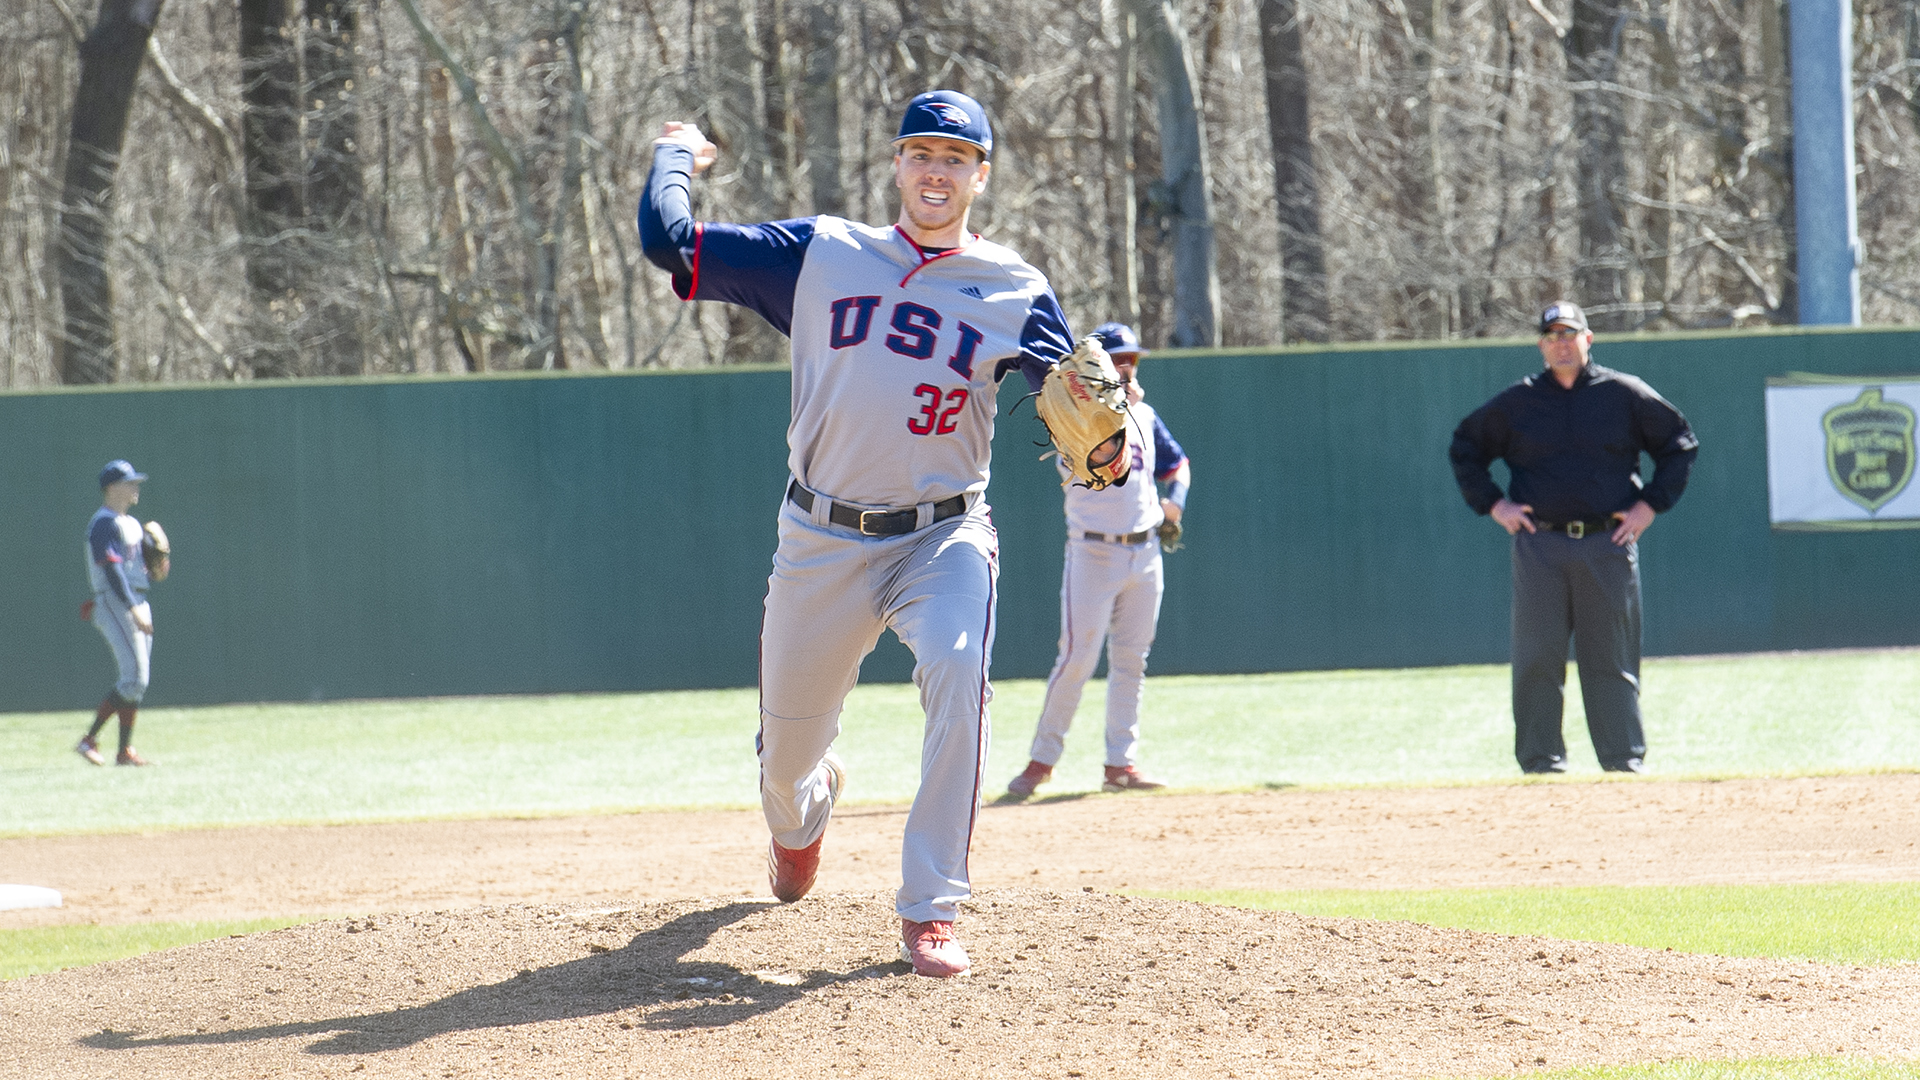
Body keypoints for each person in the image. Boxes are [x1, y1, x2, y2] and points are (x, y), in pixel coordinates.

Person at [637, 90, 1077, 978]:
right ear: (897, 164)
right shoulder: (823, 254)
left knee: (958, 672)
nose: (936, 171)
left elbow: (1077, 402)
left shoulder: (1016, 289)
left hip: (943, 536)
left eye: (956, 158)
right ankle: (803, 817)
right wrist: (676, 156)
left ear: (981, 176)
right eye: (922, 153)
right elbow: (669, 244)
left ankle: (931, 909)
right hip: (821, 539)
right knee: (784, 769)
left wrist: (1106, 446)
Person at [1449, 302, 1699, 775]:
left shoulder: (1623, 394)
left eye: (1570, 334)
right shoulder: (1519, 402)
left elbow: (1679, 444)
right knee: (1537, 658)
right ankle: (1541, 764)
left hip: (1607, 542)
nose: (1561, 344)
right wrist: (1494, 504)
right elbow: (1465, 447)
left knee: (1611, 659)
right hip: (1540, 545)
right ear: (1541, 346)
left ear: (1588, 339)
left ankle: (1622, 762)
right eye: (1552, 336)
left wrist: (1650, 505)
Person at [1006, 322, 1190, 799]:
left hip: (1145, 551)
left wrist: (1175, 503)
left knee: (1131, 662)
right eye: (1119, 359)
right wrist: (1113, 407)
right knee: (1076, 659)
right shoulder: (1073, 420)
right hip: (1093, 552)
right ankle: (1041, 761)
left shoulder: (1144, 414)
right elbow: (1106, 463)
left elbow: (1178, 465)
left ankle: (1120, 764)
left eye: (1132, 360)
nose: (1128, 367)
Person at [77, 460, 160, 767]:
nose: (136, 487)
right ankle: (88, 740)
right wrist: (133, 607)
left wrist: (157, 568)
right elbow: (112, 570)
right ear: (112, 488)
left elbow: (136, 568)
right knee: (134, 678)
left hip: (136, 598)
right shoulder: (104, 523)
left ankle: (124, 752)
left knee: (136, 681)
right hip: (115, 601)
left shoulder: (132, 523)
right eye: (130, 482)